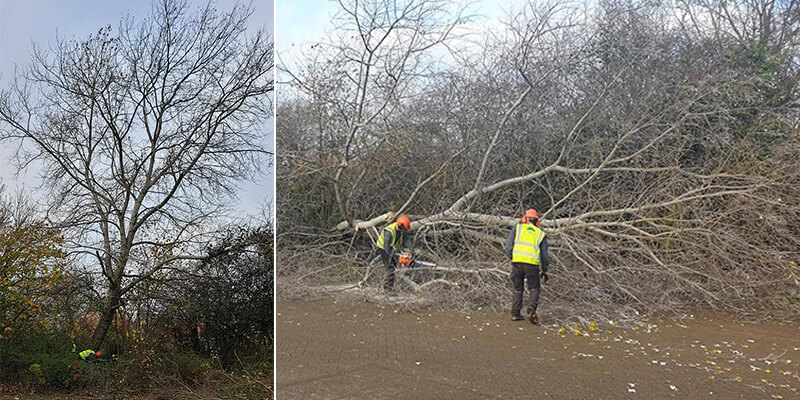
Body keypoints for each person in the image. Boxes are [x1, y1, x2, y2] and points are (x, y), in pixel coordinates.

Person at [505, 208, 549, 324]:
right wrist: (545, 270)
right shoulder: (540, 234)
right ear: (537, 221)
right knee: (534, 288)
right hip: (532, 266)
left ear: (525, 218)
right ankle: (531, 309)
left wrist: (513, 258)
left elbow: (508, 247)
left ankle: (515, 314)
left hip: (517, 263)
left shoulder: (517, 228)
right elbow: (544, 255)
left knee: (517, 289)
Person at [375, 215, 414, 292]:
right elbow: (387, 247)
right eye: (404, 230)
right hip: (383, 248)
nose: (404, 231)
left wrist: (411, 250)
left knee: (394, 265)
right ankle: (387, 289)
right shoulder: (389, 232)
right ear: (400, 226)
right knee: (390, 267)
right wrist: (395, 255)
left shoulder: (403, 230)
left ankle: (393, 286)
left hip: (393, 247)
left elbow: (407, 240)